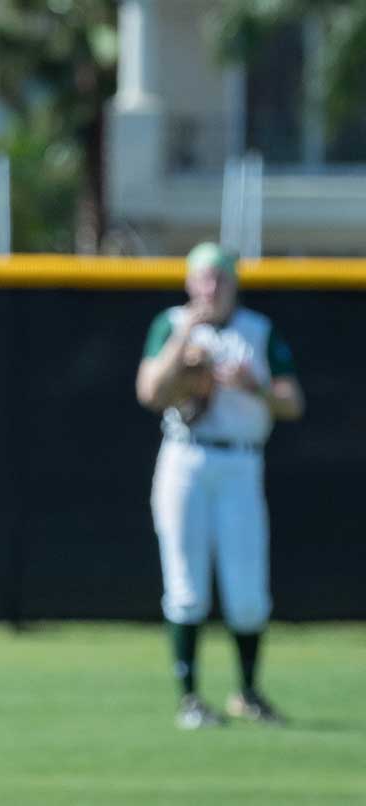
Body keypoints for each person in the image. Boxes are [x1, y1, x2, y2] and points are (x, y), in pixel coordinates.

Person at [135, 243, 306, 729]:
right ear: (190, 284)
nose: (210, 288)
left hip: (241, 459)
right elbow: (150, 392)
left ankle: (248, 692)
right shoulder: (172, 325)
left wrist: (252, 385)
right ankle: (189, 699)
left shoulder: (257, 332)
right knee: (186, 586)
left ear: (234, 283)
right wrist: (185, 341)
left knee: (247, 590)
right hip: (185, 456)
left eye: (219, 279)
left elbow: (293, 403)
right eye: (202, 279)